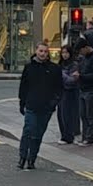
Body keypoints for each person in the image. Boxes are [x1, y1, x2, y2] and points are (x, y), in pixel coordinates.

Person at [17, 42, 61, 170]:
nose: (43, 54)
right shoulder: (29, 67)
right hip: (31, 105)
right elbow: (23, 87)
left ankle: (32, 159)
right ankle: (22, 157)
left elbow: (59, 88)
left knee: (38, 134)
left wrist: (54, 103)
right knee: (28, 131)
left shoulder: (54, 69)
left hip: (46, 107)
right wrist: (22, 102)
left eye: (45, 52)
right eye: (41, 51)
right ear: (36, 51)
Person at [75, 33, 93, 146]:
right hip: (83, 88)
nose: (80, 54)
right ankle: (85, 136)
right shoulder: (84, 58)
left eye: (81, 51)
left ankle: (90, 137)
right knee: (83, 114)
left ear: (85, 48)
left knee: (90, 114)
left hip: (92, 89)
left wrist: (81, 76)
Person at [55, 45, 80, 145]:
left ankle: (69, 136)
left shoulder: (74, 65)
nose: (65, 55)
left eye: (66, 53)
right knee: (60, 114)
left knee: (68, 114)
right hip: (60, 91)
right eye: (63, 53)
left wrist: (61, 74)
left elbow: (72, 81)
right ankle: (64, 135)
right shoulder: (60, 64)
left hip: (70, 92)